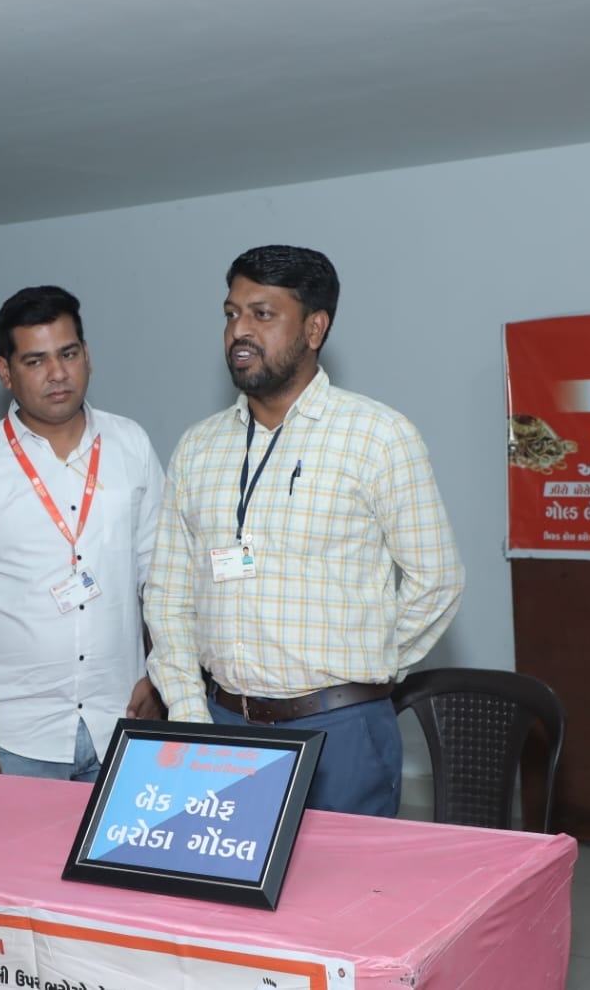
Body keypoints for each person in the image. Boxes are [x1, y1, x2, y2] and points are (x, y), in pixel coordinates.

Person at [145, 244, 464, 817]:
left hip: (341, 732)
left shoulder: (379, 436)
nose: (239, 330)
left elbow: (436, 580)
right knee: (227, 901)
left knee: (343, 901)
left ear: (314, 327)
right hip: (221, 725)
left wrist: (364, 670)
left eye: (262, 314)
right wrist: (190, 710)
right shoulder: (198, 447)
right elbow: (168, 592)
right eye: (231, 313)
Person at [0, 285, 164, 782]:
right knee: (15, 863)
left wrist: (159, 674)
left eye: (69, 354)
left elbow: (159, 577)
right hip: (12, 734)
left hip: (123, 718)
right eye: (35, 361)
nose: (58, 373)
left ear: (87, 356)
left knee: (121, 862)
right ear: (5, 372)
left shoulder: (131, 445)